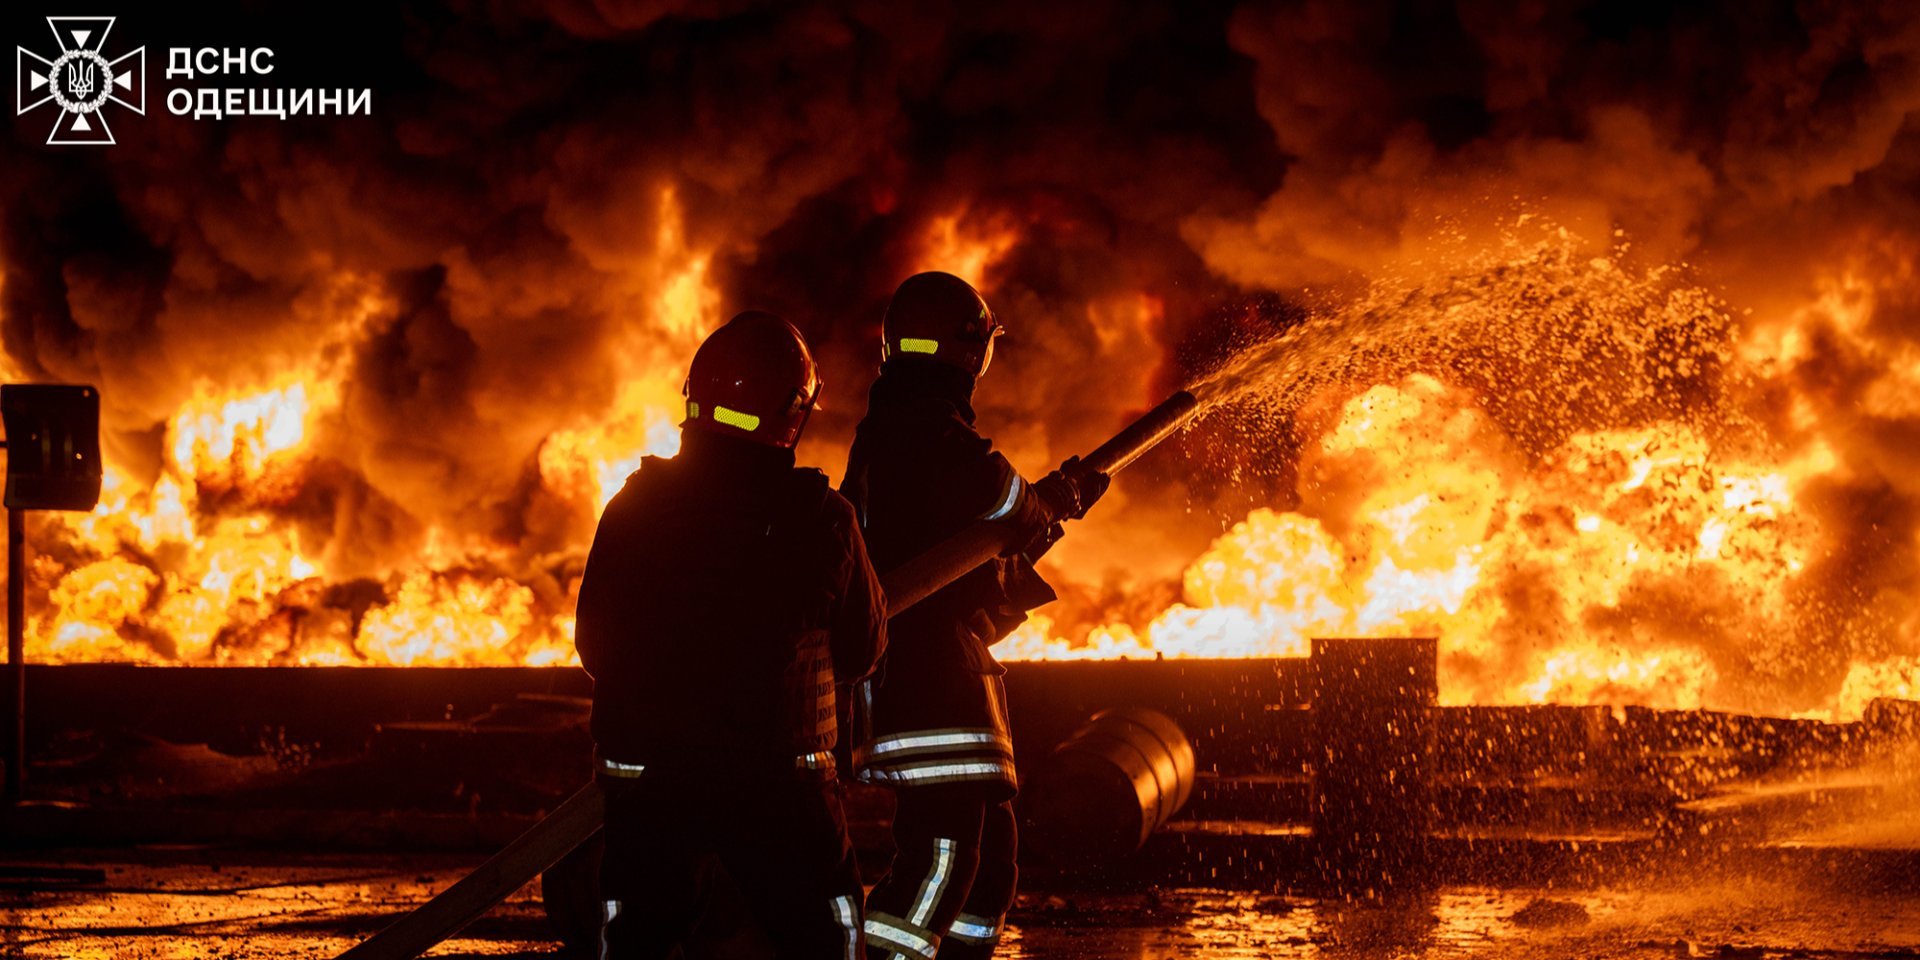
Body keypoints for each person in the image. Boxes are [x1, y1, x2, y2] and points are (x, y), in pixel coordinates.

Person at [575, 310, 887, 960]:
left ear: (693, 399)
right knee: (824, 938)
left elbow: (595, 645)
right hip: (781, 786)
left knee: (637, 941)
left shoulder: (633, 508)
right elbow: (863, 650)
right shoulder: (822, 518)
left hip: (654, 782)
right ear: (793, 411)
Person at [843, 272, 1107, 960]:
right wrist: (1051, 499)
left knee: (988, 869)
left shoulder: (903, 431)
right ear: (971, 349)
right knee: (942, 863)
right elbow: (1003, 499)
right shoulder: (922, 426)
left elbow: (975, 549)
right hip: (927, 685)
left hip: (944, 676)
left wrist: (1054, 510)